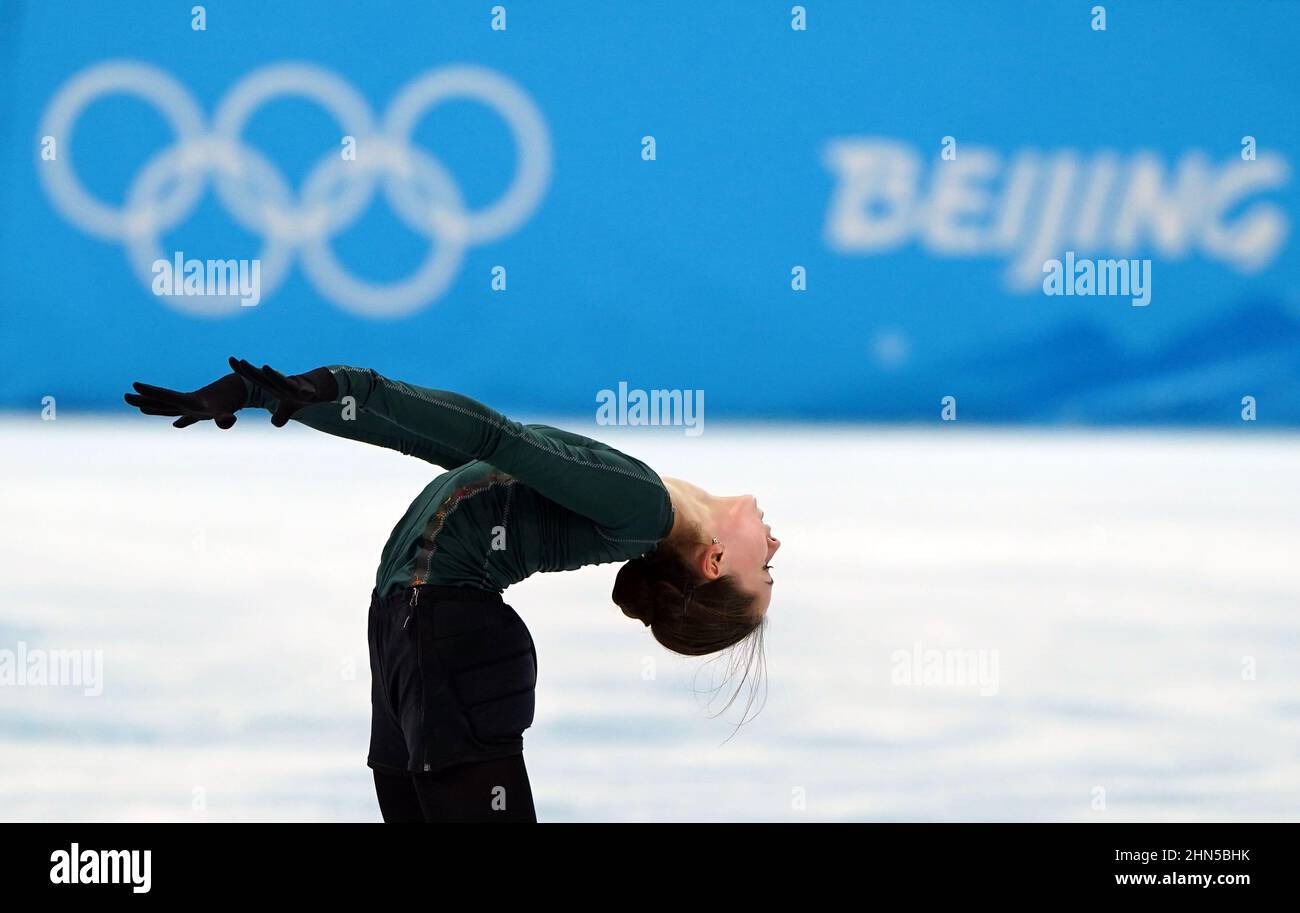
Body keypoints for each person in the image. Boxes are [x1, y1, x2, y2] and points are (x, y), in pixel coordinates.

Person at [124, 358, 779, 822]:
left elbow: (491, 437)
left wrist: (331, 387)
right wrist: (277, 394)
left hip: (440, 636)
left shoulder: (642, 507)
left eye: (767, 570)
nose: (776, 548)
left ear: (715, 561)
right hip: (418, 630)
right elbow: (442, 443)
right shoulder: (642, 505)